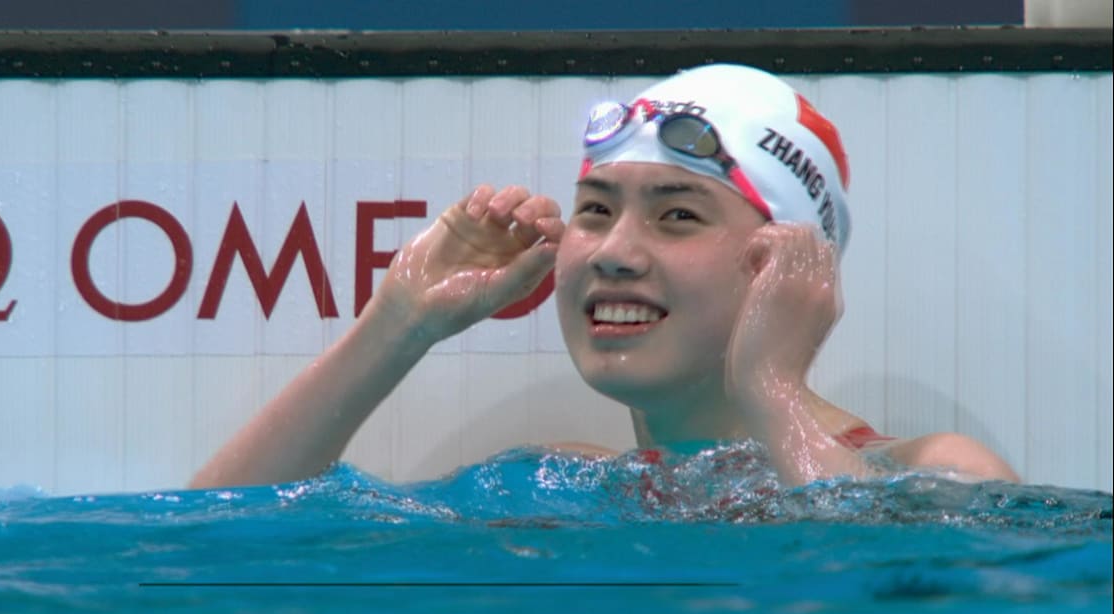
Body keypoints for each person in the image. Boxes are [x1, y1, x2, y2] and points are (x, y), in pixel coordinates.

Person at [190, 64, 1019, 490]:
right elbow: (210, 549)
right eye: (594, 209)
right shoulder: (561, 487)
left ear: (789, 263)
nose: (614, 251)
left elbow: (887, 599)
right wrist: (397, 326)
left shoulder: (939, 473)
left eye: (677, 214)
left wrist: (772, 386)